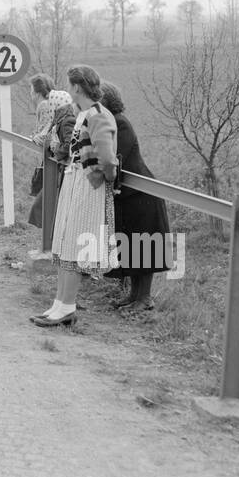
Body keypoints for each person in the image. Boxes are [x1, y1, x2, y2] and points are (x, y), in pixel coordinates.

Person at [30, 65, 117, 328]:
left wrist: (105, 177)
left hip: (87, 186)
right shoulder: (84, 113)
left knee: (76, 245)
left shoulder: (98, 116)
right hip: (74, 181)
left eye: (70, 86)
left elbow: (107, 158)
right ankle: (61, 303)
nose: (68, 90)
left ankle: (67, 306)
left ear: (77, 87)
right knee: (66, 241)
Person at [100, 81, 171, 312]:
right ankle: (134, 295)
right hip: (128, 196)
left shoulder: (120, 124)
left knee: (145, 247)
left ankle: (145, 298)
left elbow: (114, 156)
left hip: (142, 195)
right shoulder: (112, 122)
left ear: (105, 101)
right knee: (131, 246)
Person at [26, 74, 76, 228]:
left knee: (47, 205)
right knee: (47, 204)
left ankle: (48, 241)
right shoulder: (62, 120)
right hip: (59, 166)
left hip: (61, 167)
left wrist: (54, 147)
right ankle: (48, 239)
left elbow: (66, 145)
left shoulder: (65, 120)